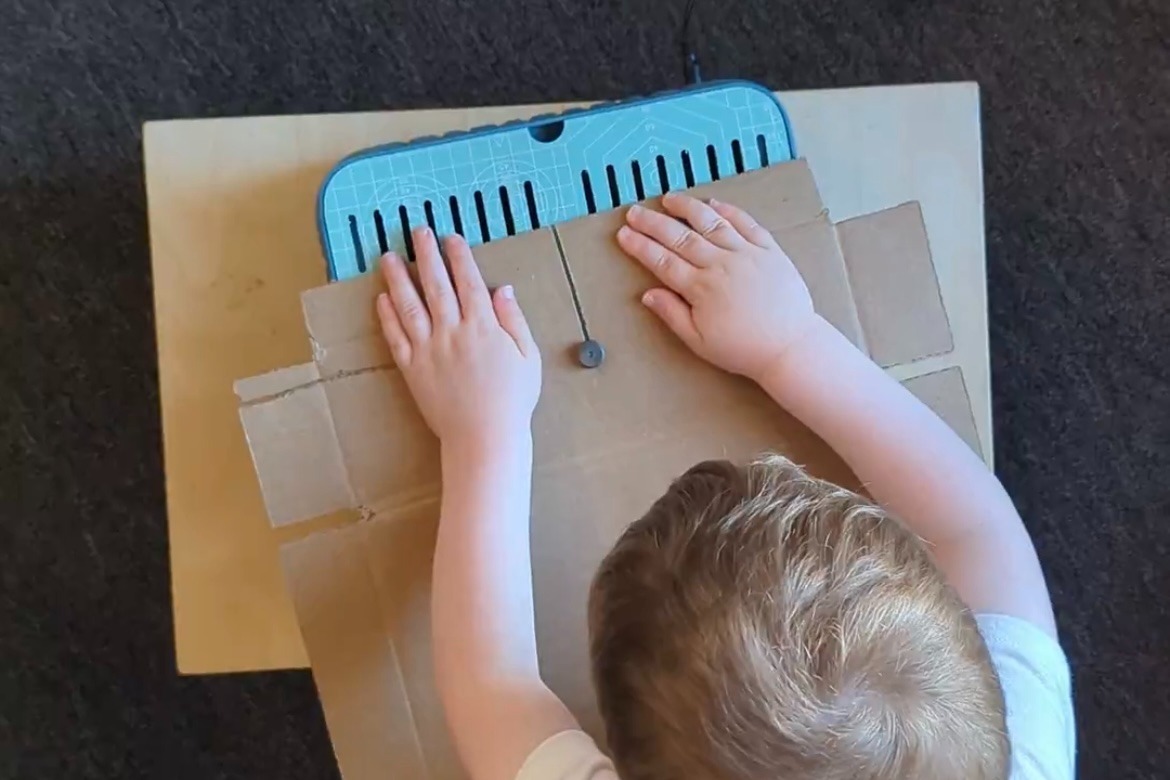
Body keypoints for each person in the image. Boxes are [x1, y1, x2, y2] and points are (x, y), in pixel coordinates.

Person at [374, 192, 1075, 780]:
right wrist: (791, 343)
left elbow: (491, 690)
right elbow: (977, 528)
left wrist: (481, 436)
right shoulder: (1024, 752)